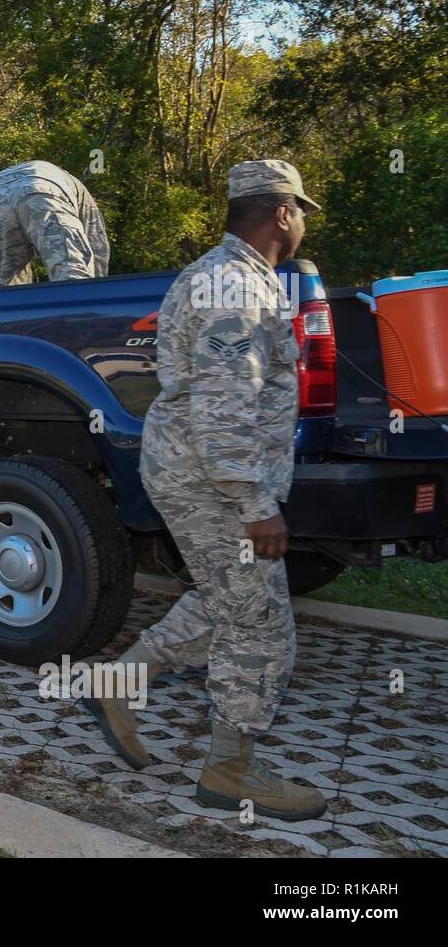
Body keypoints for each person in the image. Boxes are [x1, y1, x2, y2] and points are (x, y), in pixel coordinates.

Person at [83, 159, 328, 822]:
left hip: (197, 470)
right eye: (301, 210)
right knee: (262, 623)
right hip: (213, 482)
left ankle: (120, 681)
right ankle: (230, 770)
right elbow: (224, 410)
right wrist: (255, 505)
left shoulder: (224, 276)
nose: (304, 223)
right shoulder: (235, 290)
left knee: (226, 601)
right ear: (282, 213)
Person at [0, 159, 110, 285]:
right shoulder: (80, 195)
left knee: (13, 290)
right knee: (71, 272)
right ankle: (80, 316)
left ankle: (18, 313)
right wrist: (98, 292)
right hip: (42, 188)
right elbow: (97, 244)